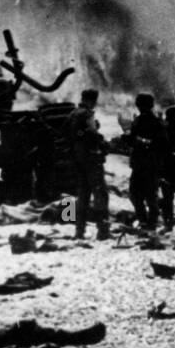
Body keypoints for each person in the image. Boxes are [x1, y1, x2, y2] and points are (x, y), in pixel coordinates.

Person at [66, 89, 110, 240]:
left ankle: (79, 231)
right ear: (93, 100)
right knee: (100, 194)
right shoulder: (87, 114)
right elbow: (92, 134)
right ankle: (103, 230)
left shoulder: (72, 114)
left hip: (78, 160)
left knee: (82, 195)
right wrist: (103, 144)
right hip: (92, 159)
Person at [127, 93, 166, 230]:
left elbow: (161, 143)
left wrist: (141, 141)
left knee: (145, 195)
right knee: (140, 194)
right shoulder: (144, 121)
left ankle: (149, 223)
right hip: (143, 164)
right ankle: (147, 222)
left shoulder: (153, 122)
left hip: (148, 164)